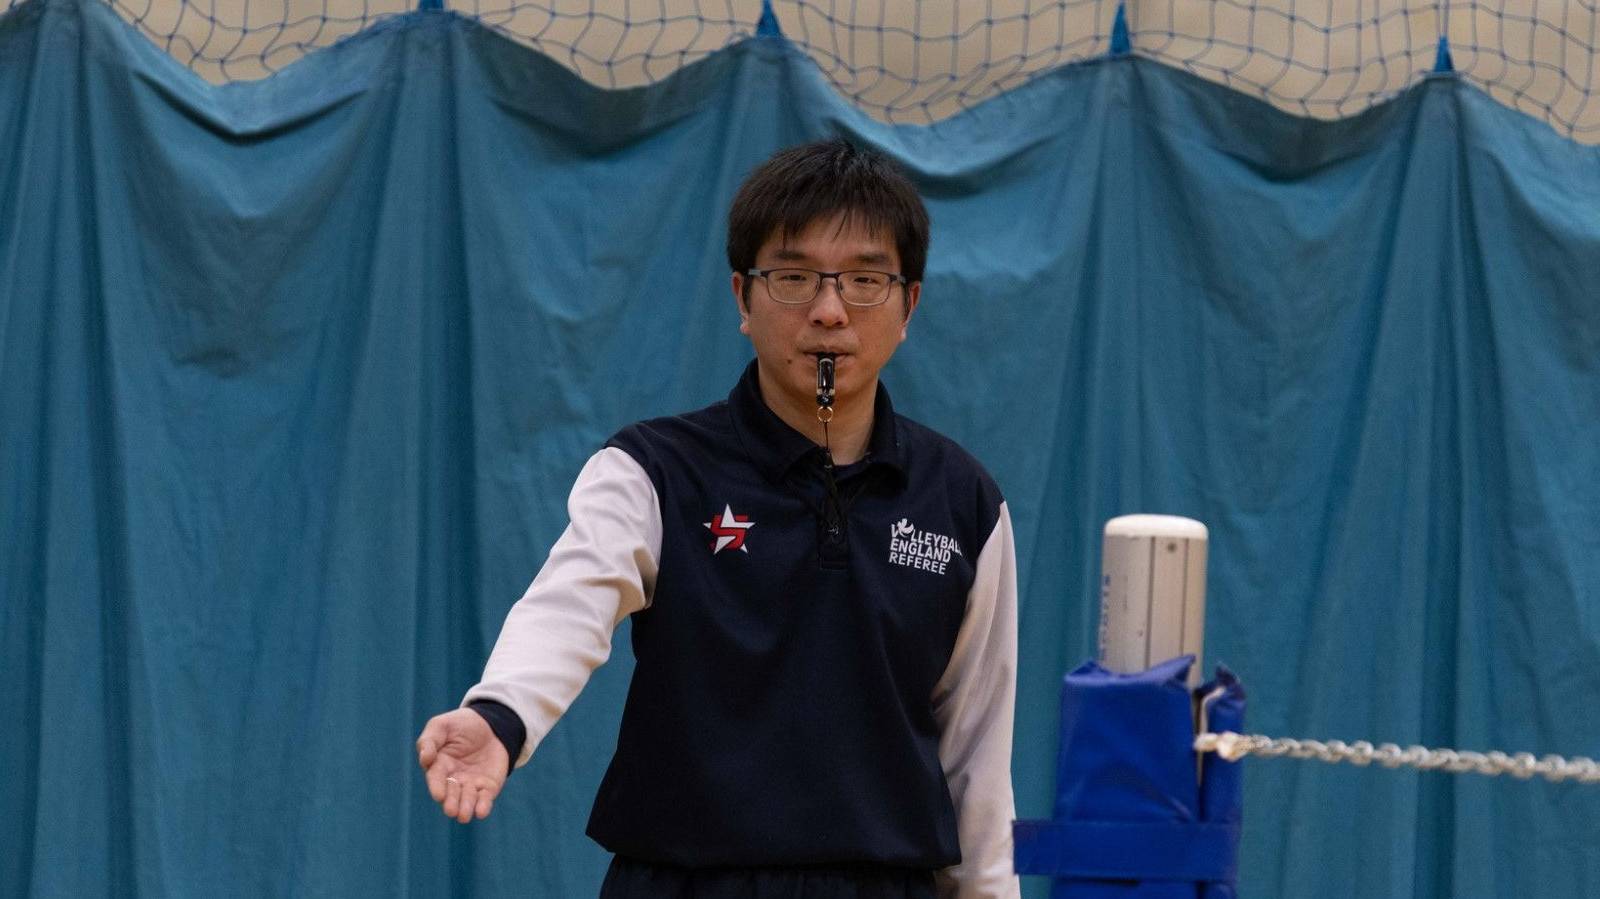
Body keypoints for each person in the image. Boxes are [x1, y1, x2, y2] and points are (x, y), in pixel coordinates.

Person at [416, 138, 1020, 899]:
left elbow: (977, 750)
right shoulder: (653, 469)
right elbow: (570, 602)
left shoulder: (964, 501)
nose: (829, 310)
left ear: (909, 305)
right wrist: (502, 714)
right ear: (743, 297)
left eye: (866, 280)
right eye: (794, 277)